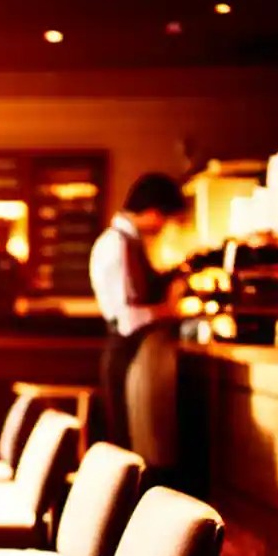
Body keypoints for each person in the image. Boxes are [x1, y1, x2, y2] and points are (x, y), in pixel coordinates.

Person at [89, 172, 186, 449]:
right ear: (154, 212)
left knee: (138, 442)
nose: (164, 226)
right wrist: (170, 310)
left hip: (132, 352)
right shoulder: (117, 245)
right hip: (125, 352)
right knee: (127, 443)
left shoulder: (128, 242)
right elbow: (128, 319)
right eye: (166, 219)